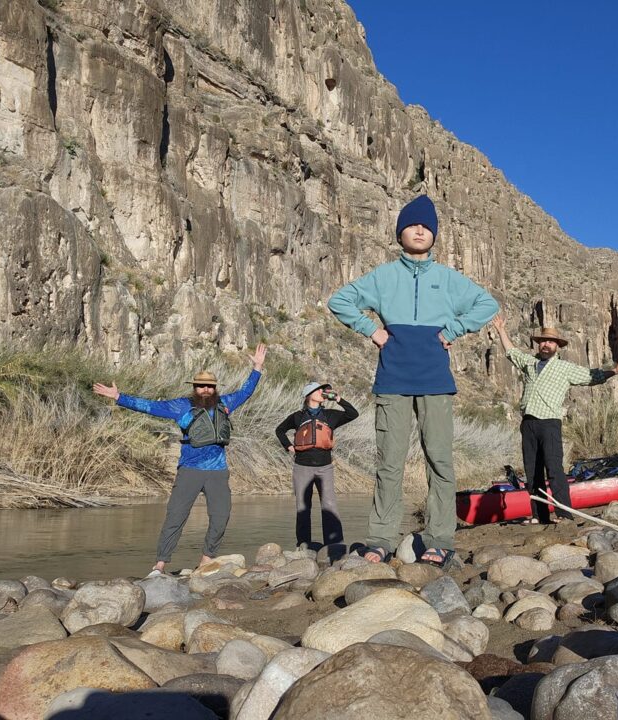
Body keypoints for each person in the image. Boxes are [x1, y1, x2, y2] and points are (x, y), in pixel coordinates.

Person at [327, 194, 499, 567]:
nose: (419, 230)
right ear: (400, 233)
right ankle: (381, 539)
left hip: (436, 381)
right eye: (412, 225)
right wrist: (373, 331)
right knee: (389, 462)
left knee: (440, 460)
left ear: (433, 234)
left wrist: (454, 329)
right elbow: (340, 301)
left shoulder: (448, 279)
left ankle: (439, 538)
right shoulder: (383, 277)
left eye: (426, 226)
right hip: (392, 380)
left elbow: (488, 305)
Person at [92, 344, 266, 575]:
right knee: (176, 516)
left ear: (215, 389)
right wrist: (119, 397)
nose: (205, 389)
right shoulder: (180, 406)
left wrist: (257, 367)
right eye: (201, 386)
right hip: (190, 470)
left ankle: (206, 559)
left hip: (218, 470)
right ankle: (160, 564)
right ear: (194, 388)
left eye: (209, 386)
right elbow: (150, 406)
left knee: (221, 516)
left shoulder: (225, 404)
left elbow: (245, 392)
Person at [491, 313, 618, 524]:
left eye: (550, 342)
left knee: (554, 470)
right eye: (543, 341)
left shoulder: (565, 368)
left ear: (557, 346)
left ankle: (564, 515)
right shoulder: (529, 363)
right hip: (528, 423)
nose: (546, 345)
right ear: (538, 344)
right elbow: (511, 352)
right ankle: (539, 516)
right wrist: (501, 330)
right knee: (532, 472)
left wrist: (615, 370)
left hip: (549, 423)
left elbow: (591, 377)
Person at [274, 382, 359, 547]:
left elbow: (353, 414)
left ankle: (334, 545)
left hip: (325, 468)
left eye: (322, 390)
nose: (322, 391)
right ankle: (303, 545)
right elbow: (280, 430)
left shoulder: (330, 415)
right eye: (318, 389)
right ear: (308, 395)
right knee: (303, 507)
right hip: (302, 468)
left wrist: (339, 399)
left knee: (329, 506)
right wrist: (288, 446)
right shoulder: (297, 417)